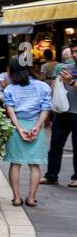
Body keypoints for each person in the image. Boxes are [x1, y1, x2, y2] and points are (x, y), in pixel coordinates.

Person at [3, 58, 51, 207]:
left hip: (18, 125)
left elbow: (10, 110)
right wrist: (37, 126)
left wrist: (19, 128)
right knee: (34, 164)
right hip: (36, 123)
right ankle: (31, 198)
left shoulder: (10, 89)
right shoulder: (43, 86)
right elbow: (46, 108)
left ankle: (16, 198)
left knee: (15, 163)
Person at [44, 48, 77, 187]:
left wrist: (71, 82)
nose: (74, 55)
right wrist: (50, 108)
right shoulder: (64, 67)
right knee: (55, 146)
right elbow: (54, 86)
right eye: (73, 51)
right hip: (62, 112)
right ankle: (51, 176)